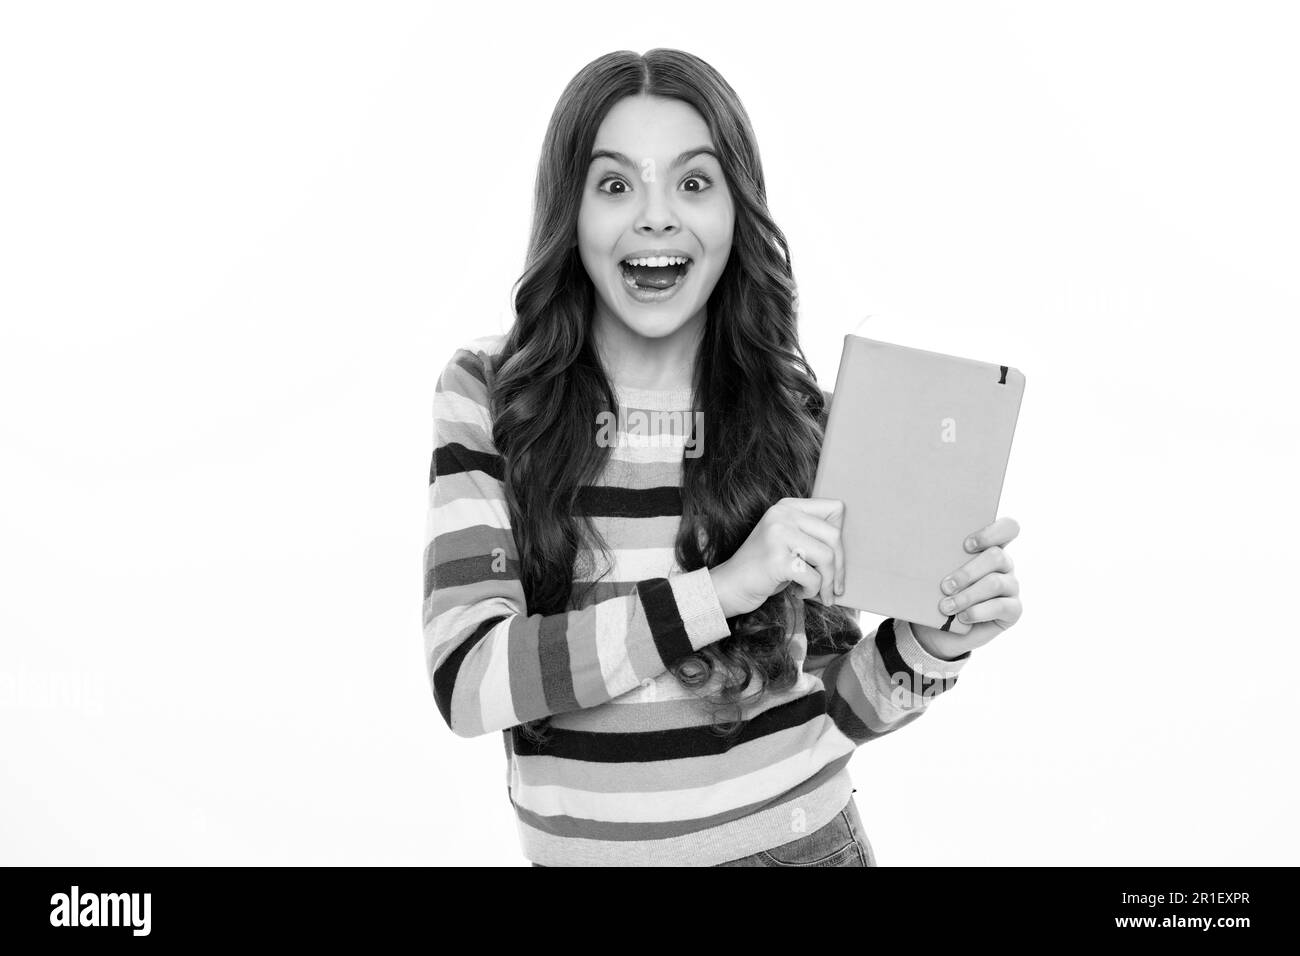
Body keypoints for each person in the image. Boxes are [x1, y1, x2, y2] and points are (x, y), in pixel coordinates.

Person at [422, 49, 1023, 867]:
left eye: (694, 183)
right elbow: (469, 680)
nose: (657, 216)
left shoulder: (791, 413)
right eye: (615, 184)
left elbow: (837, 711)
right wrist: (725, 588)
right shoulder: (493, 396)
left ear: (738, 211)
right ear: (572, 211)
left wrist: (933, 646)